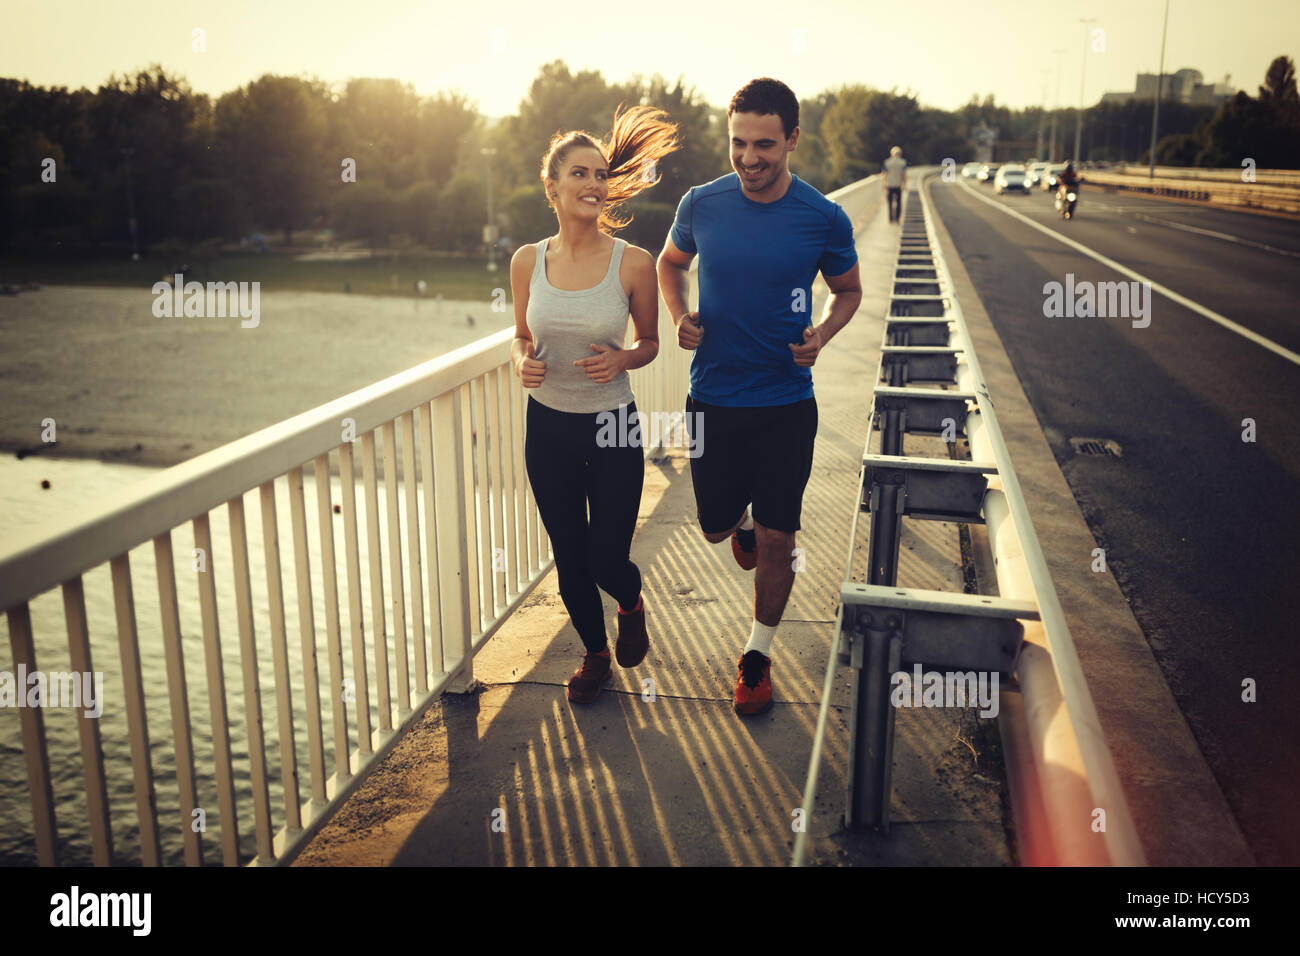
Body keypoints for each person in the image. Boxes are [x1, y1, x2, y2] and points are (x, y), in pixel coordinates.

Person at [657, 77, 863, 716]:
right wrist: (679, 314)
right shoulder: (701, 204)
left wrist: (821, 334)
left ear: (792, 140)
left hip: (784, 405)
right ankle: (737, 525)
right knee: (717, 527)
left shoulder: (822, 216)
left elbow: (848, 290)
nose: (749, 158)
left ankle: (756, 655)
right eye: (739, 143)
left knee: (780, 537)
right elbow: (669, 264)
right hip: (713, 398)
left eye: (765, 145)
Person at [511, 104, 681, 705]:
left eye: (600, 174)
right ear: (552, 187)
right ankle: (594, 655)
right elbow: (521, 337)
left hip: (612, 425)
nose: (593, 184)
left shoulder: (633, 263)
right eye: (578, 174)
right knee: (569, 558)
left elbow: (652, 344)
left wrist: (623, 359)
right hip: (548, 429)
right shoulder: (527, 262)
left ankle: (631, 602)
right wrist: (520, 360)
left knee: (608, 555)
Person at [882, 145, 907, 223]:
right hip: (898, 185)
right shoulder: (903, 162)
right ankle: (897, 218)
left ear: (892, 153)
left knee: (889, 202)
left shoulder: (887, 162)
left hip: (889, 185)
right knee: (899, 202)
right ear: (900, 154)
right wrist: (904, 185)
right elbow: (904, 175)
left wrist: (884, 183)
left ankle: (890, 219)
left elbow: (884, 174)